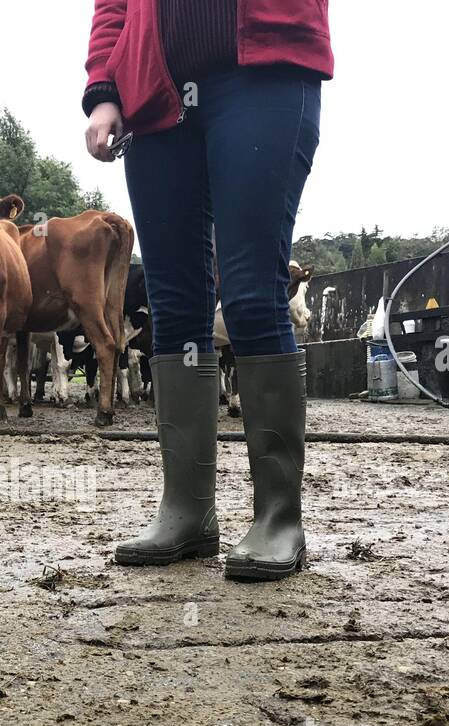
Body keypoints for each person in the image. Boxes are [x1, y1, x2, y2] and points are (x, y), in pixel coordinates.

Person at [83, 0, 332, 582]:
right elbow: (113, 6)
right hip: (154, 95)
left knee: (250, 292)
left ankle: (278, 517)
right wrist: (103, 90)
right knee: (173, 305)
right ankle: (187, 509)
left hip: (264, 74)